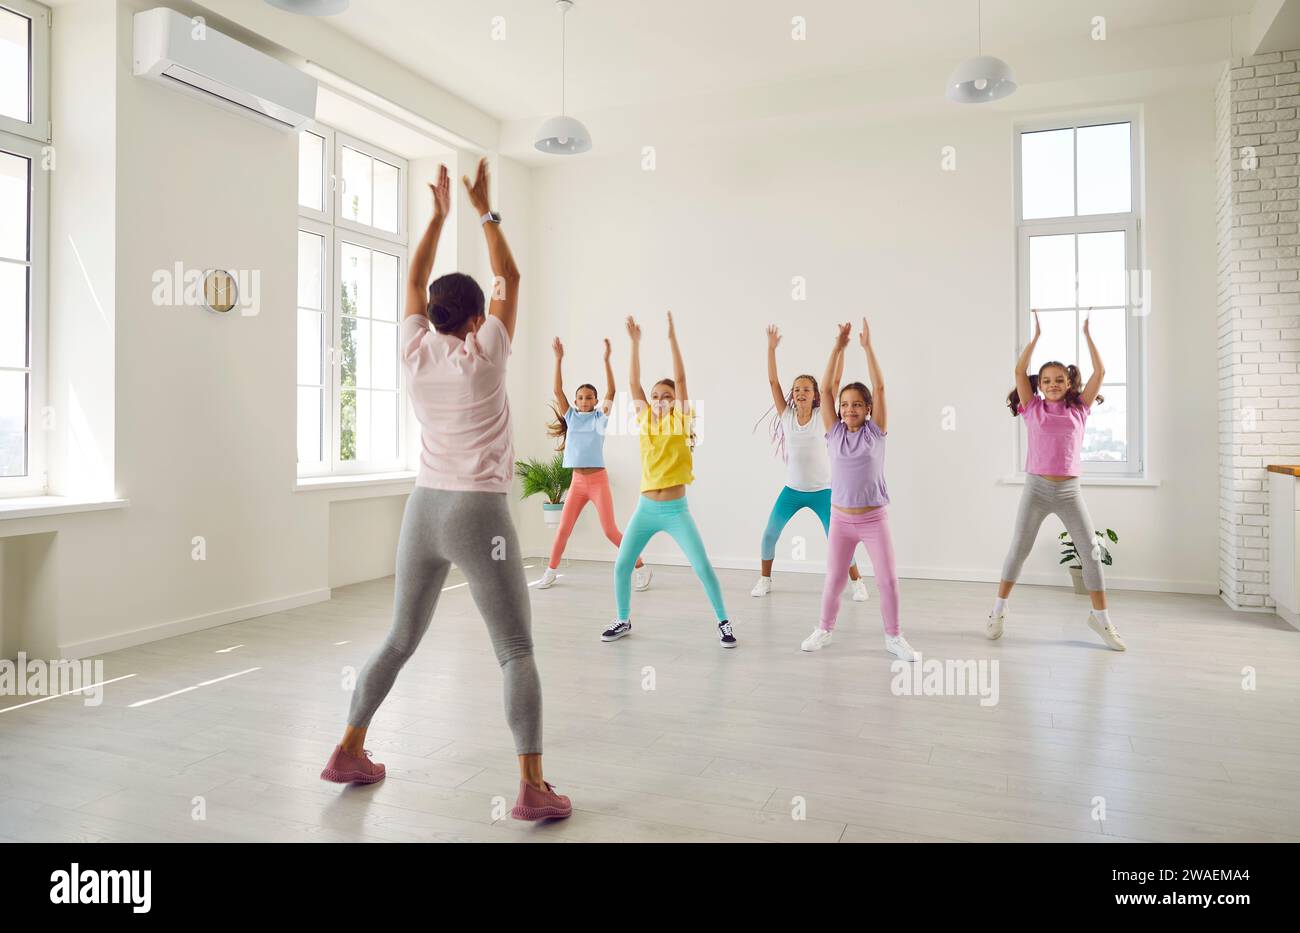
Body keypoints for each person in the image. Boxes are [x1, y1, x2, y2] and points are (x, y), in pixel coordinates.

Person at [319, 159, 572, 821]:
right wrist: (484, 210)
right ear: (476, 321)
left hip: (422, 507)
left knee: (400, 637)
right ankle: (532, 785)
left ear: (434, 315)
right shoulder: (482, 353)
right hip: (476, 511)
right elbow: (511, 277)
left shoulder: (413, 348)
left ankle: (349, 746)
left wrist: (434, 216)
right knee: (514, 649)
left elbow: (410, 278)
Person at [988, 310, 1125, 651]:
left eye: (1059, 380)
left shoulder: (1080, 408)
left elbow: (1101, 371)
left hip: (1068, 492)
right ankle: (998, 611)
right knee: (1019, 550)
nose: (1052, 385)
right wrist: (1034, 338)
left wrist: (1088, 335)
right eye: (1046, 380)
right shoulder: (1031, 407)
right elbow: (1019, 370)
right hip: (1036, 489)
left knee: (1091, 553)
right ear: (1039, 384)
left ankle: (1102, 619)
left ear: (1069, 383)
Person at [602, 313, 736, 647]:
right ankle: (622, 618)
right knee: (622, 566)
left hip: (676, 510)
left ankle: (724, 622)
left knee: (702, 567)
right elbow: (633, 383)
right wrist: (634, 343)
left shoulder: (682, 420)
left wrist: (672, 337)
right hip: (646, 508)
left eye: (667, 396)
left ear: (675, 400)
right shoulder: (645, 418)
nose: (661, 400)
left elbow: (680, 376)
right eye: (656, 395)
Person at [802, 320, 917, 661]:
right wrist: (838, 346)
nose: (849, 409)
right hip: (840, 519)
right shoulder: (834, 432)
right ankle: (823, 629)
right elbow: (825, 390)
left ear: (868, 409)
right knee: (834, 580)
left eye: (857, 404)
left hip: (872, 519)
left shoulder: (875, 432)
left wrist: (867, 348)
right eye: (845, 404)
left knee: (886, 580)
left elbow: (880, 388)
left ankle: (894, 637)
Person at [752, 324, 867, 601]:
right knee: (769, 534)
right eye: (797, 389)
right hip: (792, 491)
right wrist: (770, 348)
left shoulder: (822, 417)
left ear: (816, 395)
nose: (801, 392)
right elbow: (773, 383)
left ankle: (858, 582)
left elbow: (834, 385)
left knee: (838, 540)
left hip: (823, 492)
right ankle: (764, 579)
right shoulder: (786, 415)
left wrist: (839, 348)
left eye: (806, 389)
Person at [537, 336, 649, 590]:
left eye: (589, 397)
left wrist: (607, 360)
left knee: (610, 530)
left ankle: (641, 567)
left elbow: (611, 390)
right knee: (563, 529)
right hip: (577, 482)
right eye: (581, 398)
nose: (585, 401)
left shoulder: (600, 418)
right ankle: (550, 571)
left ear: (595, 401)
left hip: (597, 481)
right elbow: (557, 391)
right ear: (575, 402)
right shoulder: (571, 416)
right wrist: (558, 359)